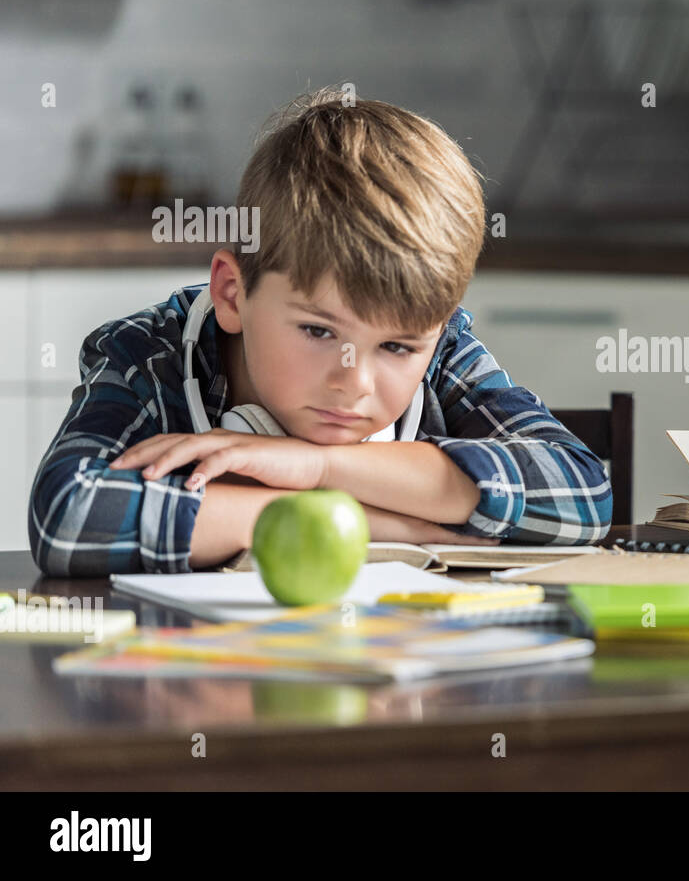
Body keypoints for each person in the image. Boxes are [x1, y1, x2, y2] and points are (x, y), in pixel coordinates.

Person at [29, 88, 612, 576]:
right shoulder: (146, 354)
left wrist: (319, 468)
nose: (353, 382)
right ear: (233, 294)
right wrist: (343, 519)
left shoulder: (443, 353)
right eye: (316, 330)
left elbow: (586, 495)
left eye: (396, 347)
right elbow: (68, 513)